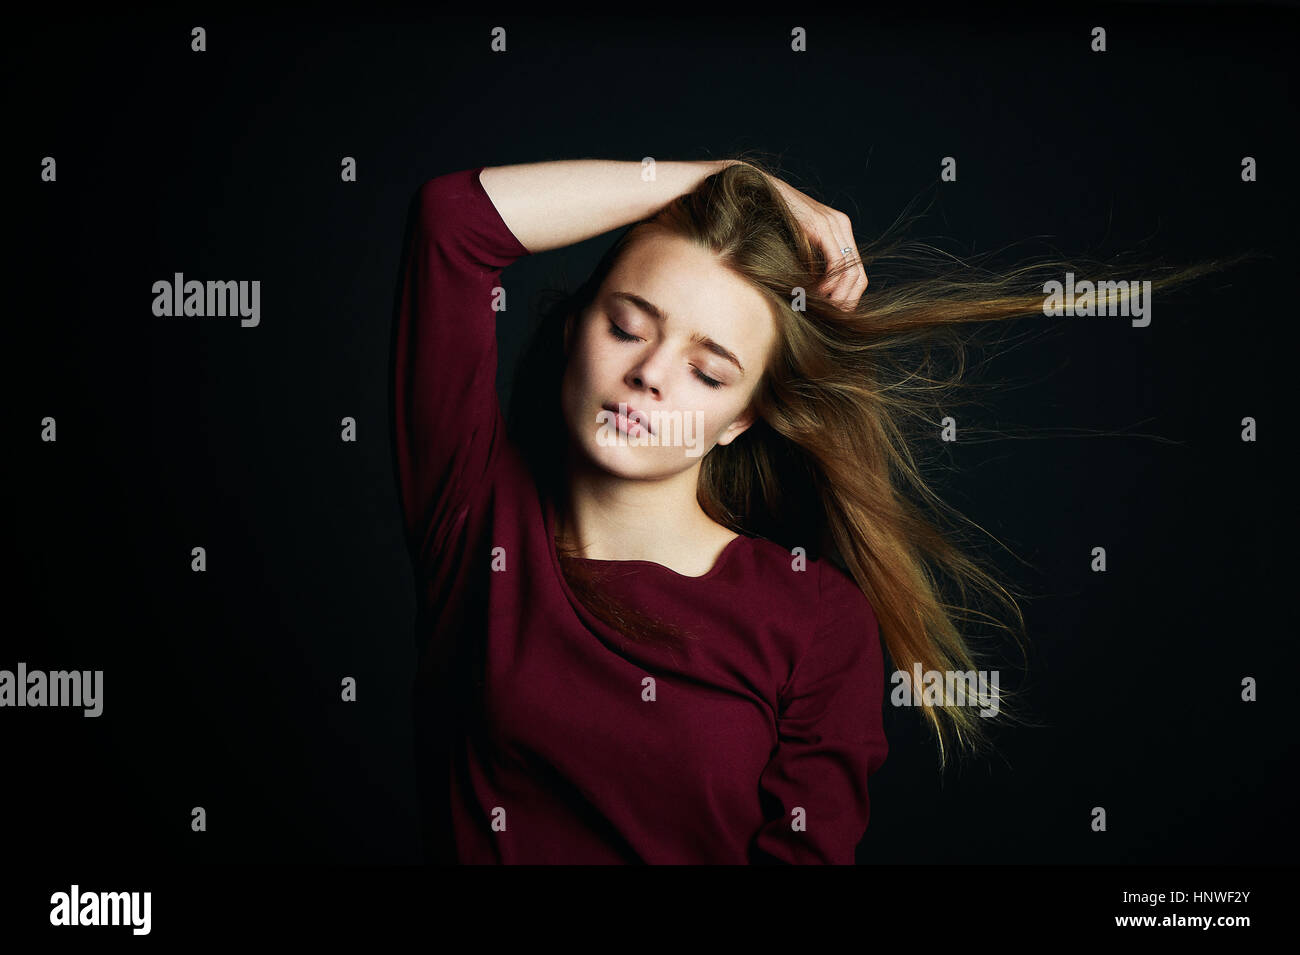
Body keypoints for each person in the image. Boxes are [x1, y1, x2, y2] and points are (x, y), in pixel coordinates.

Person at [394, 156, 1219, 864]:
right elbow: (454, 221)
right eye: (626, 326)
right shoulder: (476, 517)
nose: (650, 374)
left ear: (743, 417)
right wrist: (726, 177)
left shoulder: (816, 620)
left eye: (709, 371)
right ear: (574, 331)